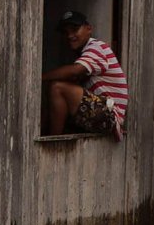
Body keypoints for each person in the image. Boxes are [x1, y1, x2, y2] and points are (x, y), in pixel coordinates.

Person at [43, 10, 129, 139]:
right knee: (55, 94)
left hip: (110, 116)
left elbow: (75, 70)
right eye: (66, 32)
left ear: (89, 29)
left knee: (57, 87)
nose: (70, 35)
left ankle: (53, 140)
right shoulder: (83, 54)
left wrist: (39, 77)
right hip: (102, 114)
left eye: (74, 29)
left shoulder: (96, 47)